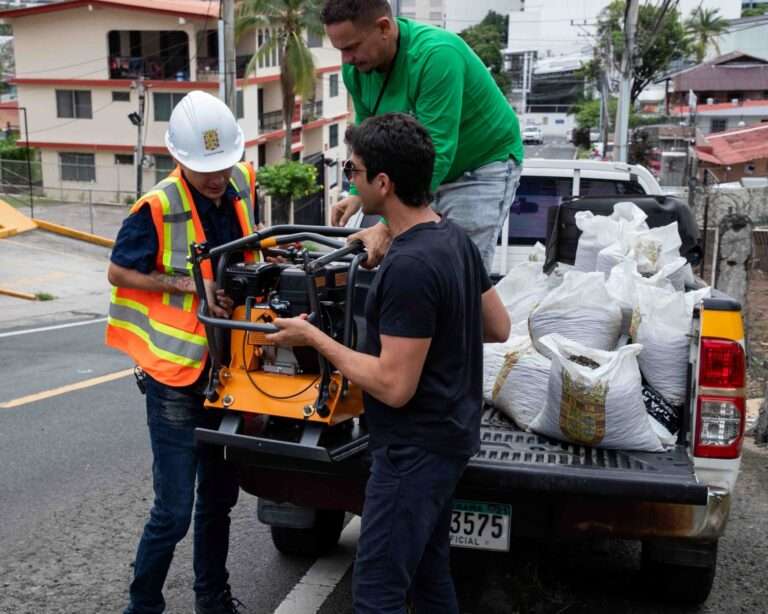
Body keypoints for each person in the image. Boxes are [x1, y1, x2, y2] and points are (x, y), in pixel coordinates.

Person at [267, 113, 511, 613]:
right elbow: (496, 326)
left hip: (412, 451)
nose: (349, 181)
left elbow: (394, 386)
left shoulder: (409, 267)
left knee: (377, 592)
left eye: (353, 172)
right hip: (450, 438)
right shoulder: (453, 238)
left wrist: (313, 337)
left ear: (383, 182)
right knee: (427, 575)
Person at [106, 90, 257, 614]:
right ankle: (142, 606)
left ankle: (212, 601)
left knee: (218, 501)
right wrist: (192, 286)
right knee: (173, 511)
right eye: (204, 168)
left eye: (223, 165)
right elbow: (119, 271)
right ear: (179, 159)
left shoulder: (242, 183)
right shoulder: (157, 206)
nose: (217, 177)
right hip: (176, 377)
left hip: (232, 375)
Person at [321, 0, 524, 272]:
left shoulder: (436, 55)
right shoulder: (357, 70)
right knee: (412, 265)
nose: (346, 59)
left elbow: (437, 149)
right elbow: (365, 138)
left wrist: (387, 226)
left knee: (459, 270)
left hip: (479, 166)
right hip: (421, 171)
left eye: (351, 47)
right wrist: (357, 192)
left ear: (383, 27)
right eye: (340, 50)